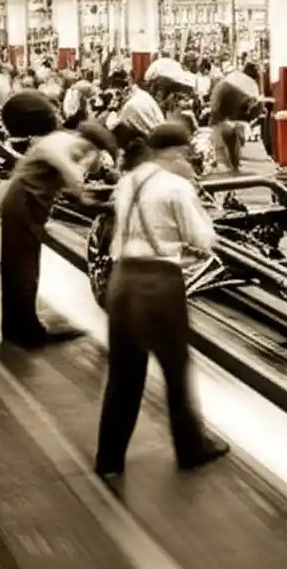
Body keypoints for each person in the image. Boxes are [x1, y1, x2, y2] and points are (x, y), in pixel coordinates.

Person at [95, 121, 228, 477]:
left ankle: (108, 459)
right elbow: (202, 238)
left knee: (124, 374)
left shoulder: (128, 181)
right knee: (175, 368)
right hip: (157, 285)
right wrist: (195, 194)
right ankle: (191, 448)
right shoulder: (177, 187)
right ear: (179, 152)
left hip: (121, 281)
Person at [0, 90, 100, 347]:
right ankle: (27, 333)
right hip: (23, 204)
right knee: (24, 266)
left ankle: (15, 326)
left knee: (18, 264)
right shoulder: (60, 143)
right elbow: (74, 182)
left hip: (22, 203)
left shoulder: (57, 141)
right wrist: (93, 199)